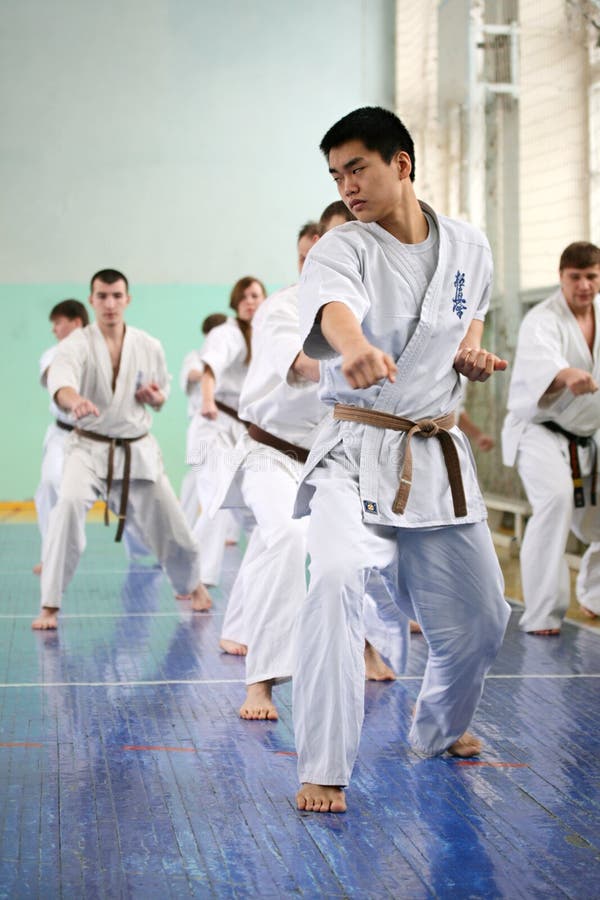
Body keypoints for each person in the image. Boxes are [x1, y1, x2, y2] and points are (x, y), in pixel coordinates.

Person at [292, 106, 511, 813]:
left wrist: (471, 354)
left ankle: (440, 727)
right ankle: (323, 765)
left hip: (433, 453)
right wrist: (353, 347)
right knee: (332, 579)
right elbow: (334, 307)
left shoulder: (469, 245)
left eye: (357, 168)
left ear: (402, 164)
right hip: (353, 451)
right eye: (336, 175)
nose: (346, 186)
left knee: (483, 620)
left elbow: (466, 315)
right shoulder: (341, 246)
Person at [32, 268, 211, 630]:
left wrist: (155, 398)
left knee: (171, 523)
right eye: (102, 296)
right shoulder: (75, 345)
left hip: (136, 448)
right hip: (87, 447)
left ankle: (193, 585)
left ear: (127, 299)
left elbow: (160, 394)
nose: (110, 303)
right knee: (65, 507)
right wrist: (74, 401)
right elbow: (60, 384)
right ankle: (50, 603)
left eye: (117, 296)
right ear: (91, 300)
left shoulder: (149, 345)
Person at [502, 241, 600, 632]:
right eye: (575, 277)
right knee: (556, 501)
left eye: (591, 276)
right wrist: (567, 374)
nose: (583, 285)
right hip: (539, 431)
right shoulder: (541, 319)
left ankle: (593, 594)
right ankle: (542, 613)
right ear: (561, 277)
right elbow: (544, 364)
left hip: (588, 434)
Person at [186, 277, 266, 590]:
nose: (251, 301)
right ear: (235, 302)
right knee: (216, 499)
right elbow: (209, 370)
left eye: (256, 296)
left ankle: (264, 571)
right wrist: (207, 401)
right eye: (244, 297)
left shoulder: (266, 334)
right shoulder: (226, 333)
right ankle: (196, 579)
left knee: (255, 503)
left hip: (244, 430)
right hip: (213, 424)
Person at [33, 300, 89, 574]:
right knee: (49, 484)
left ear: (76, 322)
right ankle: (51, 556)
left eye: (58, 323)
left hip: (100, 437)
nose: (54, 329)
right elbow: (52, 375)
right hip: (61, 433)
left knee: (133, 495)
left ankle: (148, 550)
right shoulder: (53, 354)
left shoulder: (102, 349)